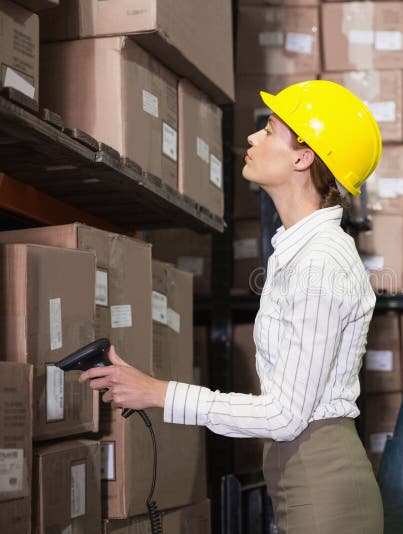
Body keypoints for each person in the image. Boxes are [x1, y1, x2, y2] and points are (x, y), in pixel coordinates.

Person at [79, 80, 385, 533]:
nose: (253, 137)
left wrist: (159, 393)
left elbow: (284, 415)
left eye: (270, 131)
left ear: (303, 158)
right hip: (302, 472)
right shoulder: (297, 252)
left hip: (321, 480)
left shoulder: (319, 263)